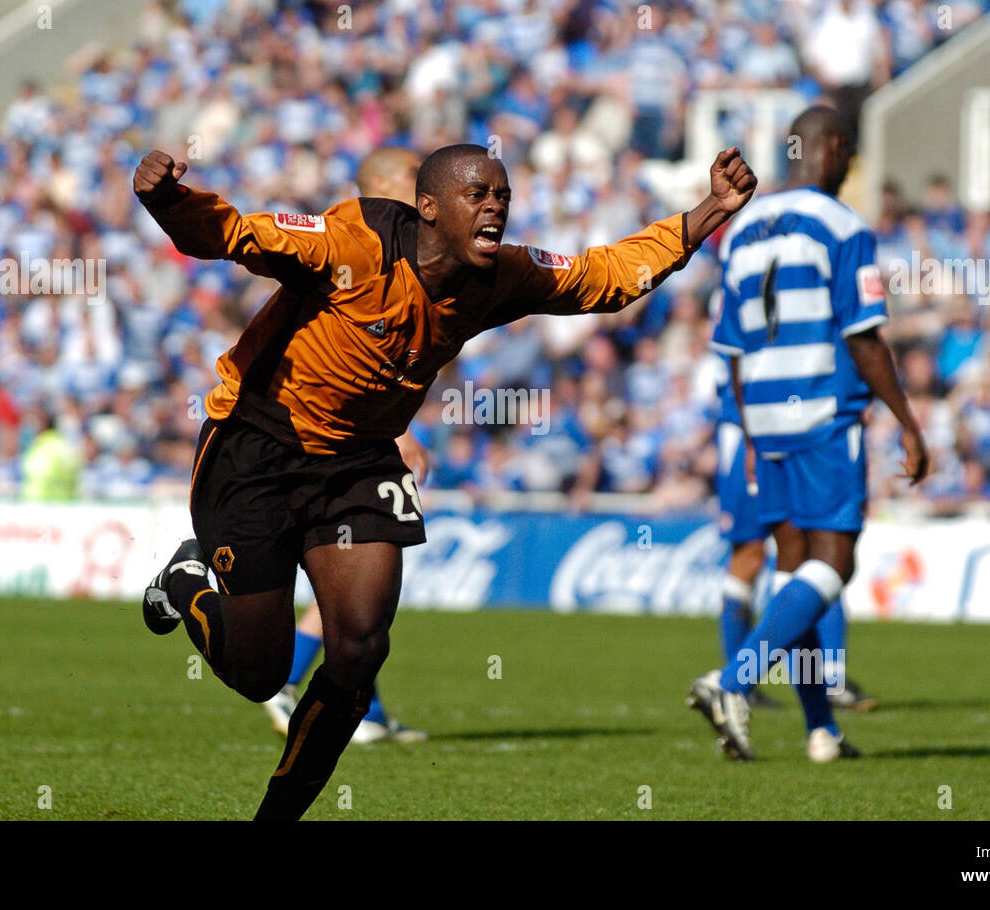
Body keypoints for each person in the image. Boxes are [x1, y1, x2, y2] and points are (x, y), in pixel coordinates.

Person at [134, 141, 758, 819]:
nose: (495, 207)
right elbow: (231, 234)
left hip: (358, 461)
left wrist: (711, 209)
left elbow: (601, 277)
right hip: (259, 447)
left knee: (360, 647)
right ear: (427, 208)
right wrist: (169, 199)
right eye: (478, 195)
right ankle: (187, 581)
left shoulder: (501, 276)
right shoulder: (352, 245)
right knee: (259, 673)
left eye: (502, 196)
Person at [690, 106, 926, 763]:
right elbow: (864, 336)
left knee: (795, 574)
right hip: (822, 412)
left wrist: (750, 433)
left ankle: (821, 730)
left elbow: (731, 347)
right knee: (835, 562)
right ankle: (731, 681)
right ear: (836, 148)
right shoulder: (842, 225)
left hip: (762, 419)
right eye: (851, 153)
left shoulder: (742, 230)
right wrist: (908, 422)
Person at [261, 146, 431, 745]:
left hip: (344, 439)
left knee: (361, 589)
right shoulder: (349, 246)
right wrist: (396, 434)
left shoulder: (405, 254)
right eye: (414, 178)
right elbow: (345, 359)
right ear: (383, 183)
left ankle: (366, 709)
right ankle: (288, 683)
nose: (426, 190)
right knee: (353, 583)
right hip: (310, 444)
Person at [707, 348, 879, 714]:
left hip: (792, 424)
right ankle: (737, 680)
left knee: (813, 555)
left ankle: (822, 689)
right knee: (762, 556)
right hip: (758, 427)